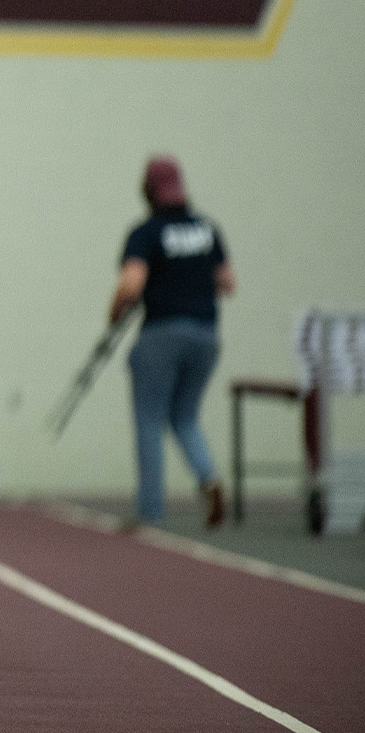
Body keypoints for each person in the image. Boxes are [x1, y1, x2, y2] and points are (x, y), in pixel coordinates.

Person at [111, 156, 232, 528]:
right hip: (206, 335)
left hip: (161, 333)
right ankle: (208, 475)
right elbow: (227, 282)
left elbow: (131, 285)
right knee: (184, 415)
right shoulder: (207, 229)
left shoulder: (146, 233)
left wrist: (114, 313)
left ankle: (150, 511)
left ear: (148, 192)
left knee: (149, 419)